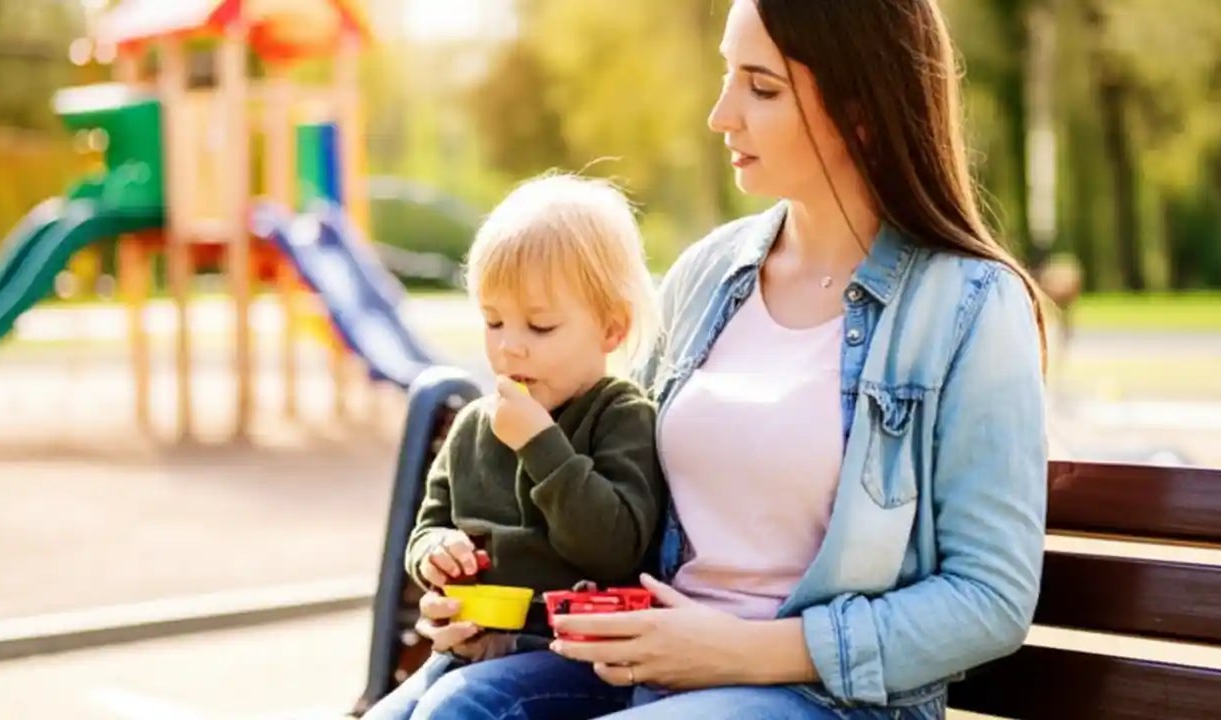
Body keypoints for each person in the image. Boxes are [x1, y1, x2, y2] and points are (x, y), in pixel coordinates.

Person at [410, 0, 1049, 717]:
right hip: (637, 664)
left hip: (822, 697)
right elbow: (615, 494)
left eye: (762, 87)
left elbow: (992, 598)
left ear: (861, 107)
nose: (721, 113)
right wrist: (478, 606)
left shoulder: (968, 306)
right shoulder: (708, 274)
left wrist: (740, 651)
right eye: (726, 76)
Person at [362, 174, 666, 720]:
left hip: (579, 660)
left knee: (458, 708)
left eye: (541, 325)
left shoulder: (620, 415)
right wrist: (435, 554)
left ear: (611, 331)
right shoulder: (475, 426)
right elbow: (430, 524)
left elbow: (614, 545)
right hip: (475, 647)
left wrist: (541, 443)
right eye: (493, 321)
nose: (509, 346)